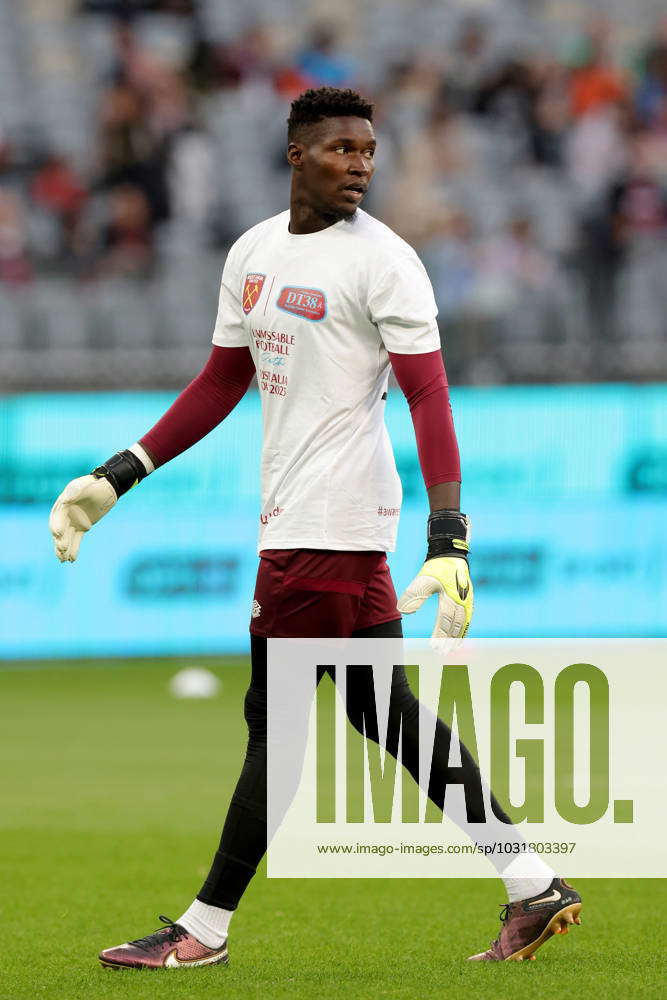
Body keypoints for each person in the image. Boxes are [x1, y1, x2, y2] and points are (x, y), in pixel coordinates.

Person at [49, 87, 581, 969]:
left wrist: (449, 535)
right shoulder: (253, 251)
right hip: (304, 523)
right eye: (341, 150)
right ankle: (531, 885)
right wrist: (121, 473)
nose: (360, 165)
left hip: (327, 529)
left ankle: (203, 929)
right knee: (386, 717)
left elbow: (428, 393)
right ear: (296, 154)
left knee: (278, 728)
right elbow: (222, 381)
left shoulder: (387, 261)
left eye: (369, 151)